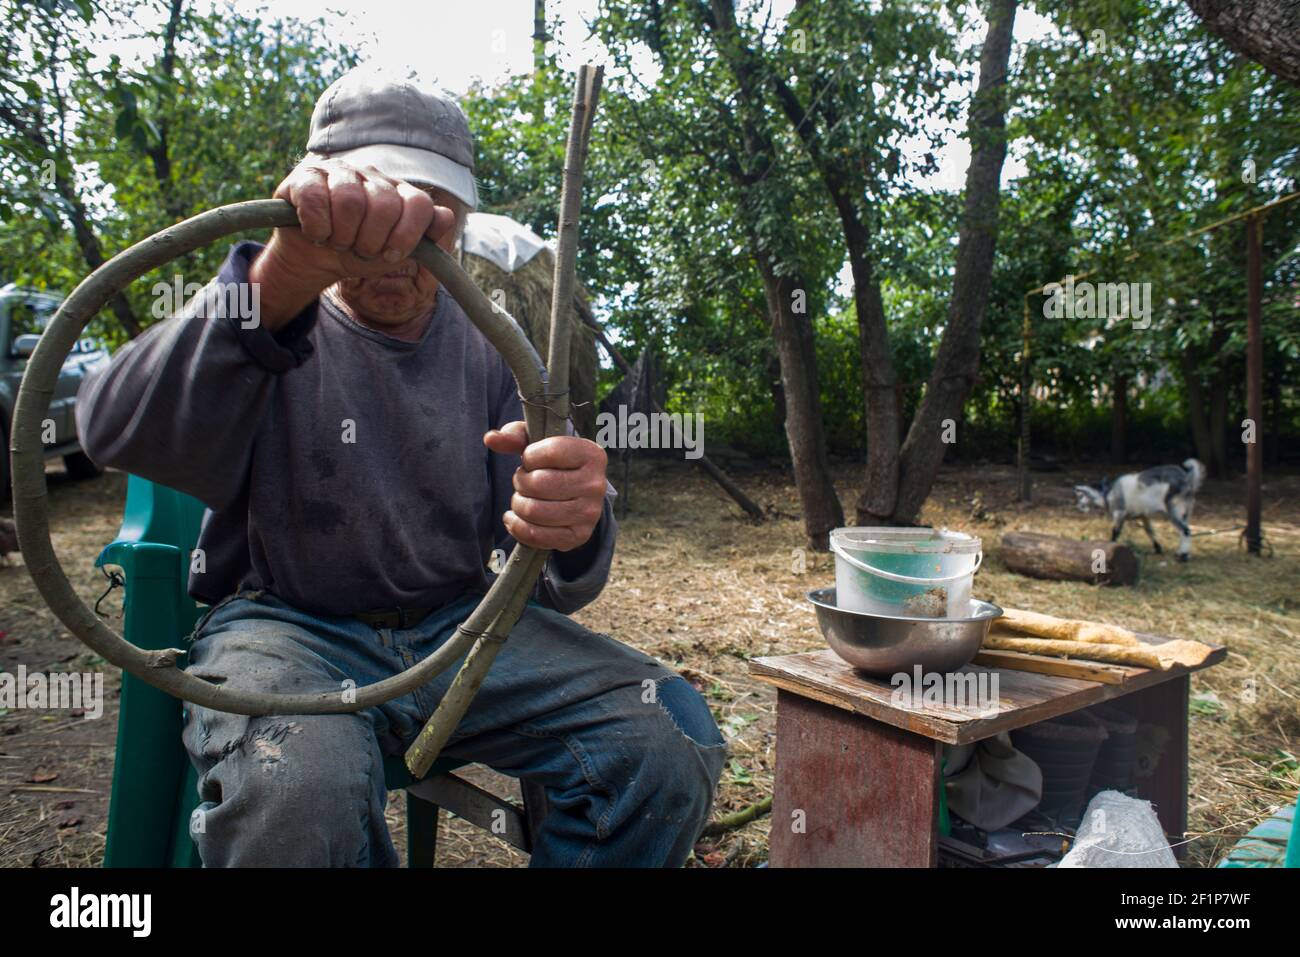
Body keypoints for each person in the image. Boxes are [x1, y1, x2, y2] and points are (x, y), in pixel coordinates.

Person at [76, 65, 725, 868]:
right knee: (296, 792)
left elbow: (559, 581)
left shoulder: (495, 348)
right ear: (315, 201)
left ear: (458, 223)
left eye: (429, 225)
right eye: (370, 223)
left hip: (459, 628)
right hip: (285, 630)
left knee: (669, 734)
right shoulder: (265, 316)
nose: (397, 256)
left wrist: (575, 521)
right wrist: (280, 274)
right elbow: (106, 427)